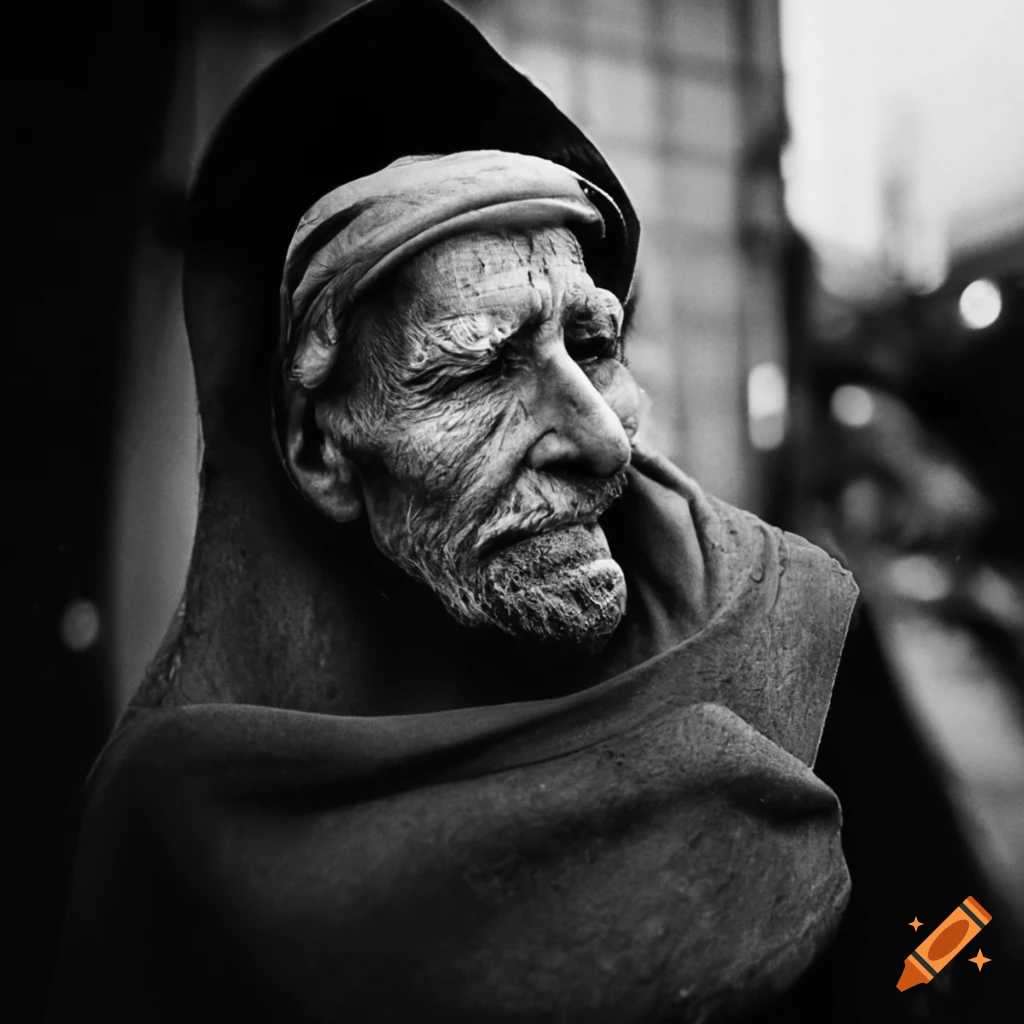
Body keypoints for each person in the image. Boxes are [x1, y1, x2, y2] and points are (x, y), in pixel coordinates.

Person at [48, 1, 858, 1020]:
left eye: (595, 345)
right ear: (316, 448)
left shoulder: (800, 628)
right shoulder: (177, 832)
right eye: (481, 370)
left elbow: (948, 955)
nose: (604, 438)